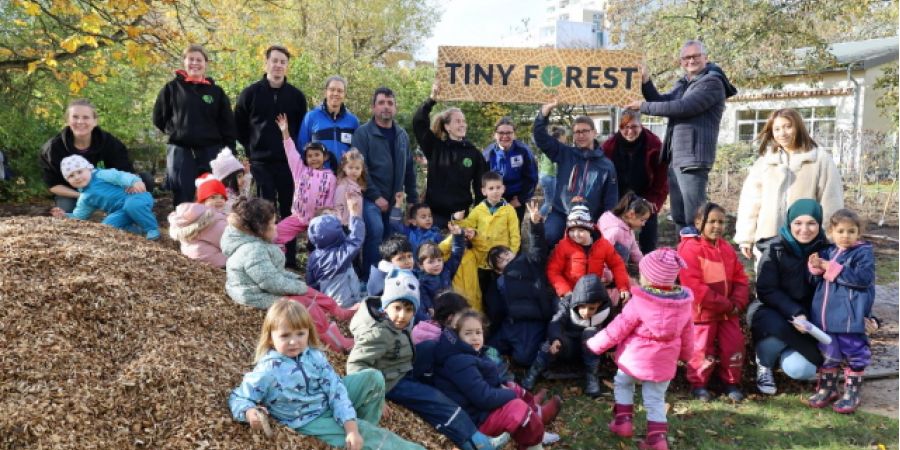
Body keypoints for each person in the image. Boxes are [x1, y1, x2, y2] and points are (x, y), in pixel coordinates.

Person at [228, 299, 424, 450]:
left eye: (300, 334)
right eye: (285, 336)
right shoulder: (268, 370)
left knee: (373, 378)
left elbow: (335, 389)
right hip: (309, 417)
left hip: (326, 401)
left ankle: (357, 437)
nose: (294, 342)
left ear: (308, 333)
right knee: (375, 436)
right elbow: (240, 396)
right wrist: (248, 412)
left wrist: (351, 427)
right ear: (271, 338)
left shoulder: (313, 355)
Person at [347, 270, 505, 450]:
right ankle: (477, 441)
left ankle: (448, 385)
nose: (402, 315)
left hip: (400, 367)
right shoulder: (378, 333)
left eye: (408, 309)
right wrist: (374, 395)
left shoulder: (396, 323)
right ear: (385, 306)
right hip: (391, 381)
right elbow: (356, 364)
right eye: (397, 308)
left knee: (431, 349)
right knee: (436, 400)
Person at [586, 248, 694, 450]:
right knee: (655, 399)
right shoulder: (683, 304)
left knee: (623, 383)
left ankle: (623, 423)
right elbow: (688, 335)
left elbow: (618, 328)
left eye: (643, 273)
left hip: (633, 360)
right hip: (663, 364)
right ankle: (657, 440)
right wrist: (687, 356)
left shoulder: (639, 301)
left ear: (650, 277)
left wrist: (595, 344)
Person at [624, 39, 737, 231]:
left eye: (695, 56)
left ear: (705, 58)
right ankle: (683, 256)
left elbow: (683, 107)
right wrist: (646, 81)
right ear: (681, 61)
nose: (690, 61)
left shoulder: (712, 82)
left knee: (695, 216)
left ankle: (696, 258)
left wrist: (643, 107)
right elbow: (661, 101)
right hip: (677, 158)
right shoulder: (685, 83)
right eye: (686, 58)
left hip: (693, 158)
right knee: (679, 216)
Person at [219, 196, 353, 353]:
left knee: (308, 291)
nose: (277, 227)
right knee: (304, 304)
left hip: (260, 287)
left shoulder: (256, 244)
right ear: (260, 229)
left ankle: (338, 311)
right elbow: (272, 283)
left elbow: (274, 274)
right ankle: (336, 342)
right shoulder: (252, 251)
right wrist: (298, 287)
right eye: (272, 224)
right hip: (255, 295)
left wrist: (297, 283)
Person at [434, 309, 560, 450]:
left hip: (483, 410)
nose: (475, 337)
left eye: (478, 332)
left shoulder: (470, 353)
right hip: (479, 419)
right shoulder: (460, 362)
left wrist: (508, 390)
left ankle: (537, 416)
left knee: (512, 387)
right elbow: (483, 398)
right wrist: (510, 395)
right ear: (457, 336)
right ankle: (534, 441)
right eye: (468, 333)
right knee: (517, 406)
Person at [735, 108, 844, 261]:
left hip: (807, 242)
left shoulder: (819, 159)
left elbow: (831, 200)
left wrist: (830, 238)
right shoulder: (765, 162)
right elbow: (750, 201)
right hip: (768, 240)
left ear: (798, 127)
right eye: (777, 129)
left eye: (787, 126)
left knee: (802, 282)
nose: (782, 133)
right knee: (768, 282)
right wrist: (746, 237)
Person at [749, 199, 830, 394]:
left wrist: (866, 316)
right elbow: (766, 290)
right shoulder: (774, 249)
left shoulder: (826, 251)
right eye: (798, 223)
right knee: (778, 330)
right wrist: (795, 312)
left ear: (819, 224)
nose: (805, 229)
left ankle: (784, 354)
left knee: (802, 369)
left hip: (809, 318)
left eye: (811, 223)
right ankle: (765, 363)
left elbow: (843, 286)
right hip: (773, 311)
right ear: (789, 223)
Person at [677, 202, 750, 402]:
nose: (717, 226)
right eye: (712, 221)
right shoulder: (689, 249)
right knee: (701, 349)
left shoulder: (725, 247)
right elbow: (694, 286)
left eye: (721, 222)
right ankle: (698, 384)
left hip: (729, 312)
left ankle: (731, 382)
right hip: (703, 313)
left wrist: (737, 301)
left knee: (733, 346)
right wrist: (725, 304)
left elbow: (740, 278)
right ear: (699, 222)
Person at [807, 209, 876, 414]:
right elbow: (816, 279)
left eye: (851, 231)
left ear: (859, 233)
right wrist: (816, 266)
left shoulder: (863, 253)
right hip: (825, 317)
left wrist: (831, 267)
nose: (845, 235)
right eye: (840, 231)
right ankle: (828, 388)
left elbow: (863, 279)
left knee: (854, 351)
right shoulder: (827, 251)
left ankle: (852, 391)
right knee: (829, 353)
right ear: (831, 231)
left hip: (849, 317)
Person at [153, 44, 237, 206]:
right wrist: (175, 132)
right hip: (181, 150)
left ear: (205, 64)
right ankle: (183, 230)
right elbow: (158, 117)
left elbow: (227, 124)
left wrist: (229, 150)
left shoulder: (216, 92)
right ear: (184, 62)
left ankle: (211, 229)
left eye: (199, 60)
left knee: (211, 193)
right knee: (182, 194)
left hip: (211, 150)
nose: (195, 63)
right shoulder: (172, 88)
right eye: (191, 59)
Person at [234, 45, 307, 229]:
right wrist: (251, 149)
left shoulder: (297, 96)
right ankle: (265, 253)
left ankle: (288, 257)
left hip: (288, 164)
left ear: (287, 66)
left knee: (289, 212)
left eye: (283, 62)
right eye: (274, 61)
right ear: (266, 63)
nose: (278, 65)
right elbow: (238, 126)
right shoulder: (250, 94)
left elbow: (300, 129)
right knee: (263, 213)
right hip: (261, 164)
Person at [40, 99, 153, 213]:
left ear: (95, 121)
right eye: (75, 117)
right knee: (67, 213)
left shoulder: (110, 143)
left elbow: (125, 173)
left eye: (86, 117)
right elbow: (54, 185)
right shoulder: (53, 149)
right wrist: (84, 196)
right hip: (74, 193)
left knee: (145, 180)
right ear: (67, 121)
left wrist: (108, 195)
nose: (80, 121)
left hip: (108, 190)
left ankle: (135, 211)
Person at [352, 87, 418, 281]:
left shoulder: (402, 135)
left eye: (390, 103)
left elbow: (409, 169)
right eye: (381, 103)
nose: (386, 107)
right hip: (370, 197)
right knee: (376, 232)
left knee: (392, 239)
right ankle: (369, 280)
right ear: (373, 107)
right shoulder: (363, 133)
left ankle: (390, 280)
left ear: (395, 108)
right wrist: (375, 196)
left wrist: (412, 200)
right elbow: (360, 169)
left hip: (395, 200)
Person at [532, 100, 619, 248]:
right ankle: (541, 270)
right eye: (577, 132)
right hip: (562, 213)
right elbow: (540, 138)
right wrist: (543, 114)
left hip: (588, 219)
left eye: (585, 131)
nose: (581, 135)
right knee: (546, 237)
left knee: (591, 250)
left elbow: (610, 200)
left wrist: (605, 224)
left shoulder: (606, 165)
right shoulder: (565, 153)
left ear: (594, 132)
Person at [485, 200, 557, 368]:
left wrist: (534, 224)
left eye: (506, 254)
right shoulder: (498, 282)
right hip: (510, 322)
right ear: (497, 270)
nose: (505, 259)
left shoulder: (528, 261)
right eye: (500, 261)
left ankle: (541, 349)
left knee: (524, 358)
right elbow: (496, 309)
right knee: (489, 347)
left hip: (531, 320)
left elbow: (537, 248)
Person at [413, 84, 489, 229]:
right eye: (458, 121)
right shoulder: (435, 148)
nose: (463, 124)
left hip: (461, 217)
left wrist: (478, 216)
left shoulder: (473, 153)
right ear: (447, 127)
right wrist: (431, 100)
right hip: (434, 216)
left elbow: (481, 188)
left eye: (464, 121)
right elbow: (418, 123)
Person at [522, 274, 611, 397]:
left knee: (590, 332)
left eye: (592, 308)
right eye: (583, 307)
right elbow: (556, 321)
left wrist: (613, 348)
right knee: (549, 344)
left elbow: (614, 329)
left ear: (599, 304)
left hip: (591, 350)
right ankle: (533, 373)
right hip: (569, 345)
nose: (586, 312)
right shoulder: (566, 304)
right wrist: (556, 339)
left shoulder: (606, 310)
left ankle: (592, 378)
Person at [455, 171, 521, 326]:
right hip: (482, 261)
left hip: (501, 262)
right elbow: (469, 224)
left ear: (503, 189)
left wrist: (512, 255)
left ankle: (502, 322)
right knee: (483, 294)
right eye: (491, 188)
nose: (495, 191)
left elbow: (515, 235)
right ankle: (483, 324)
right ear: (484, 191)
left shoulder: (508, 210)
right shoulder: (479, 209)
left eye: (498, 187)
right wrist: (457, 220)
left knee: (500, 294)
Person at [272, 114, 337, 268]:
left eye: (317, 155)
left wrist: (325, 216)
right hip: (299, 217)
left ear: (325, 157)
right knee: (275, 234)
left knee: (319, 245)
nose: (313, 159)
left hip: (319, 221)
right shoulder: (300, 171)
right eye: (309, 156)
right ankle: (277, 262)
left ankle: (318, 269)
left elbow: (331, 201)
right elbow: (291, 152)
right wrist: (285, 132)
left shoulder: (331, 177)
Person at [599, 111, 668, 253]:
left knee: (648, 226)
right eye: (625, 127)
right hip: (619, 193)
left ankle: (648, 261)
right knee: (614, 228)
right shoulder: (609, 146)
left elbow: (662, 178)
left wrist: (653, 200)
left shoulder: (654, 145)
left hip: (646, 192)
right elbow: (602, 174)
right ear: (619, 127)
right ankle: (614, 257)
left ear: (641, 125)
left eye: (634, 127)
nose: (629, 131)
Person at [412, 292, 514, 385]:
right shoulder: (443, 338)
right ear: (451, 318)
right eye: (463, 317)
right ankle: (506, 381)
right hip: (445, 381)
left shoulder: (425, 327)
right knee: (490, 356)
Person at [49, 155, 160, 240]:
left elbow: (119, 176)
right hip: (121, 211)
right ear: (68, 181)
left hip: (136, 197)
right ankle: (136, 230)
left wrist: (133, 181)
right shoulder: (84, 198)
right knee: (106, 226)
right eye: (71, 176)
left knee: (132, 205)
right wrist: (65, 216)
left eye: (79, 171)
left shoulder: (100, 175)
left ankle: (151, 228)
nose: (77, 177)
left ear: (89, 168)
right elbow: (79, 216)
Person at [546, 202, 630, 304]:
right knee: (560, 311)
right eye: (572, 230)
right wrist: (565, 291)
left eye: (581, 230)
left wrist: (623, 287)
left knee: (606, 311)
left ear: (590, 229)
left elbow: (617, 264)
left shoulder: (603, 245)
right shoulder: (563, 246)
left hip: (592, 292)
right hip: (570, 292)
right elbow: (553, 271)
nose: (576, 235)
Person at [306, 195, 365, 308]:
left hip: (328, 301)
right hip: (346, 302)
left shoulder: (314, 256)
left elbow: (311, 282)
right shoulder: (341, 253)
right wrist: (354, 214)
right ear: (337, 232)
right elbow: (356, 238)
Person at [483, 117, 539, 223]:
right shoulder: (488, 154)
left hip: (516, 198)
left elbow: (532, 177)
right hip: (495, 198)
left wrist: (521, 199)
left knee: (514, 230)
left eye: (509, 132)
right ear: (495, 135)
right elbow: (482, 179)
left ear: (514, 134)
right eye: (501, 133)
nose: (505, 136)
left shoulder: (524, 151)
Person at [299, 75, 359, 167]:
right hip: (318, 178)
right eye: (332, 89)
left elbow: (356, 152)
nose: (336, 93)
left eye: (340, 91)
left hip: (343, 178)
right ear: (325, 92)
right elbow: (301, 148)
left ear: (344, 94)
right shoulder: (311, 117)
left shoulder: (353, 121)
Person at [414, 222, 465, 323]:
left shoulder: (446, 270)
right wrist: (429, 307)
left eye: (439, 260)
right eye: (431, 262)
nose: (437, 264)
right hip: (435, 316)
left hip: (453, 311)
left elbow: (457, 254)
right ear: (421, 265)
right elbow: (423, 296)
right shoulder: (421, 279)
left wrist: (458, 236)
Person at [597, 192, 654, 265]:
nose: (643, 224)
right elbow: (601, 254)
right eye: (642, 220)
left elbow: (635, 251)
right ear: (631, 214)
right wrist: (608, 275)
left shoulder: (628, 228)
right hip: (604, 270)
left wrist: (646, 265)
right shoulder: (615, 231)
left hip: (615, 268)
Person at [167, 202, 227, 268]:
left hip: (191, 256)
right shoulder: (214, 221)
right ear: (203, 201)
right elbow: (229, 244)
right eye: (212, 197)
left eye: (222, 197)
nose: (218, 201)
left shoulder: (184, 219)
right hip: (214, 262)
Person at [209, 148, 253, 213]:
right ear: (228, 179)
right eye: (239, 176)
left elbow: (246, 187)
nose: (243, 179)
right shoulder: (225, 198)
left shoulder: (237, 190)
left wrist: (247, 173)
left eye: (242, 175)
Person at [333, 149, 366, 226]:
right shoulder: (343, 185)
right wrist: (341, 223)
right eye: (350, 167)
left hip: (356, 222)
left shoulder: (358, 185)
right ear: (344, 168)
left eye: (357, 168)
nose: (354, 171)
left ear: (362, 170)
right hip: (345, 224)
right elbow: (338, 205)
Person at [536, 127, 562, 217]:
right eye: (563, 138)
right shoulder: (554, 148)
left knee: (551, 200)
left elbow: (541, 161)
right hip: (549, 176)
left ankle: (547, 217)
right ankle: (537, 218)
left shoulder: (547, 147)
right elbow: (555, 164)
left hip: (544, 175)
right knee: (549, 202)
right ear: (558, 138)